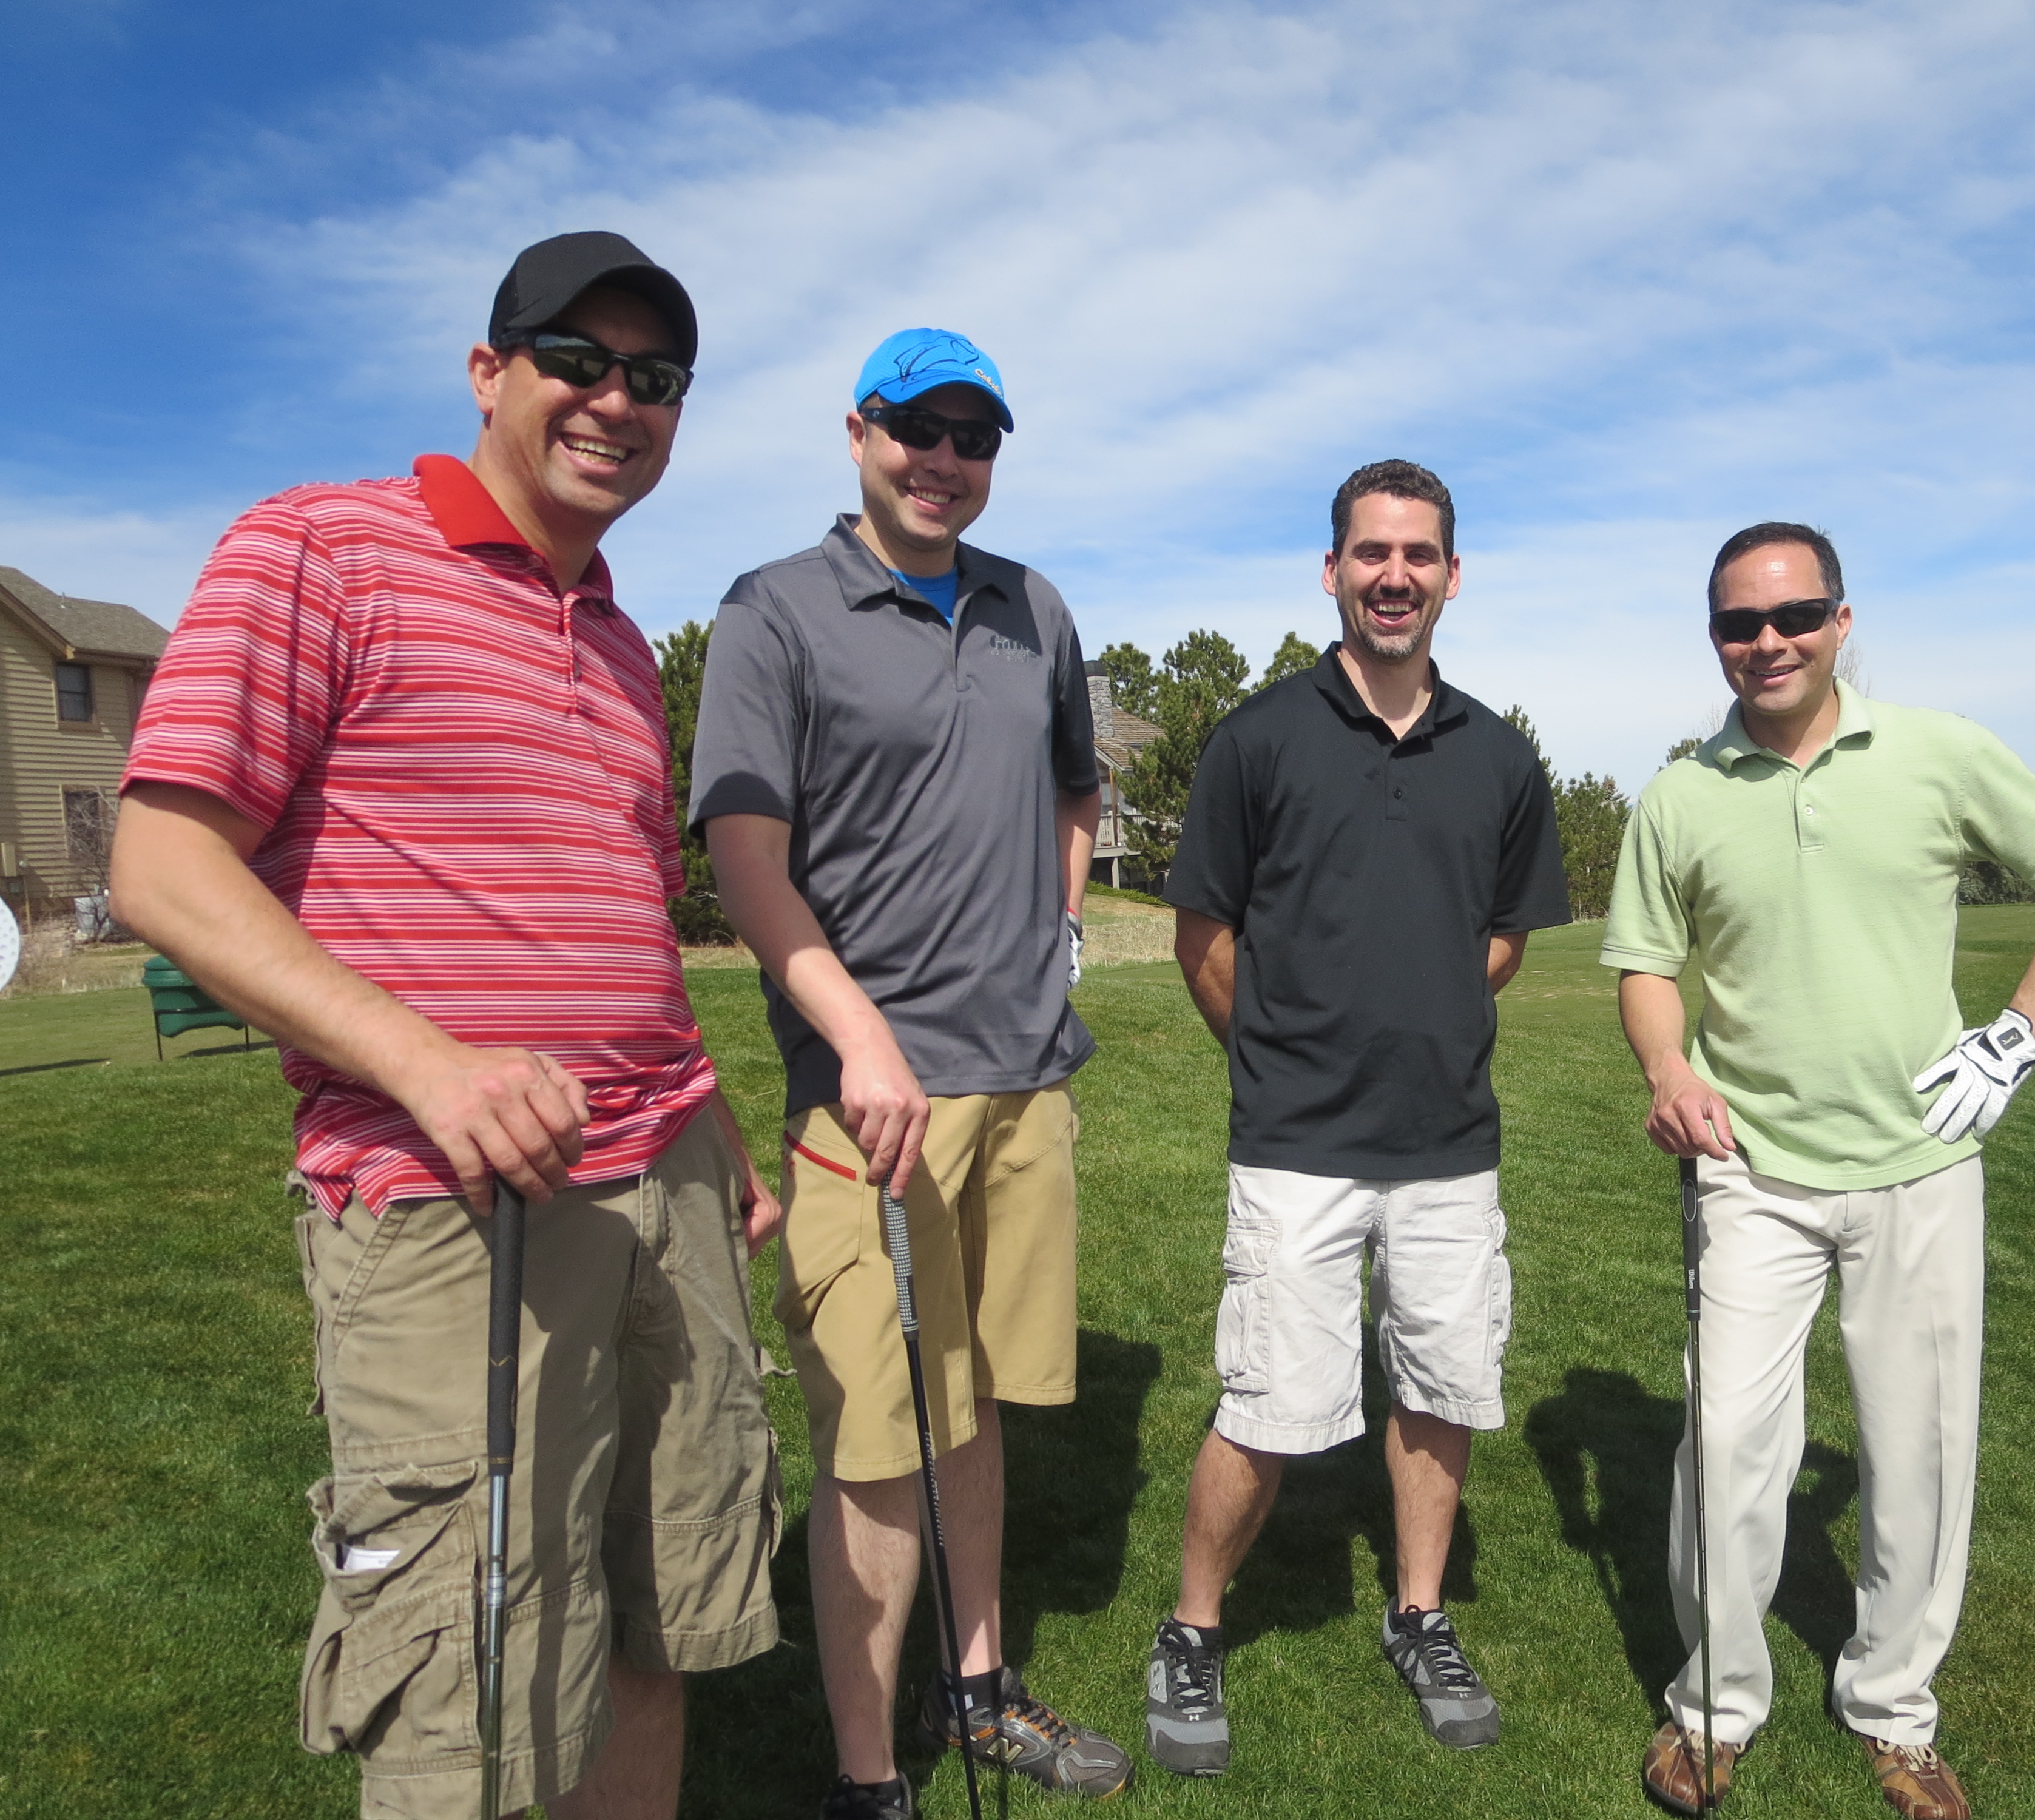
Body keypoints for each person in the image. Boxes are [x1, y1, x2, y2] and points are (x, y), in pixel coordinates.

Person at [109, 231, 784, 1820]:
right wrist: (425, 1060)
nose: (619, 400)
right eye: (580, 359)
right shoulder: (317, 550)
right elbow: (159, 859)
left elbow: (622, 924)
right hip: (449, 1209)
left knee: (652, 1618)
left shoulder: (620, 638)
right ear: (490, 373)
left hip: (667, 1190)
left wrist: (721, 1136)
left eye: (658, 379)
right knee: (466, 1692)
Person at [1605, 523, 2035, 1819]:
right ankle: (1713, 1711)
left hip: (1920, 1164)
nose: (1765, 643)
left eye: (1793, 616)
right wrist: (1669, 1074)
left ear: (1841, 621)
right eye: (1738, 624)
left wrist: (2015, 1037)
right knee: (1726, 1445)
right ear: (1713, 637)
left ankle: (1894, 1713)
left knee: (1917, 1452)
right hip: (1750, 1170)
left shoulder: (1937, 751)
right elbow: (1645, 965)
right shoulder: (1677, 794)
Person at [689, 328, 1126, 1820]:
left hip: (1020, 1084)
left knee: (974, 1405)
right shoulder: (776, 612)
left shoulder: (1032, 608)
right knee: (878, 1444)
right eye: (915, 429)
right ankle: (870, 1777)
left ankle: (982, 1686)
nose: (945, 460)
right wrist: (855, 1029)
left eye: (974, 437)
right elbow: (744, 855)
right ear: (857, 431)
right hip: (861, 1102)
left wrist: (1057, 931)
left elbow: (1077, 786)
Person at [1140, 459, 1571, 1778]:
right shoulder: (1258, 738)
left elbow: (1499, 939)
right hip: (1296, 1144)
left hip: (1446, 1145)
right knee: (1270, 1401)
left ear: (1451, 576)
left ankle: (1418, 1614)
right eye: (1370, 552)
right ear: (1330, 570)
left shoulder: (1498, 755)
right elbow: (1201, 935)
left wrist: (1422, 1010)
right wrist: (1280, 1055)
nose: (1395, 574)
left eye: (1419, 554)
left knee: (1439, 1391)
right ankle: (1192, 1630)